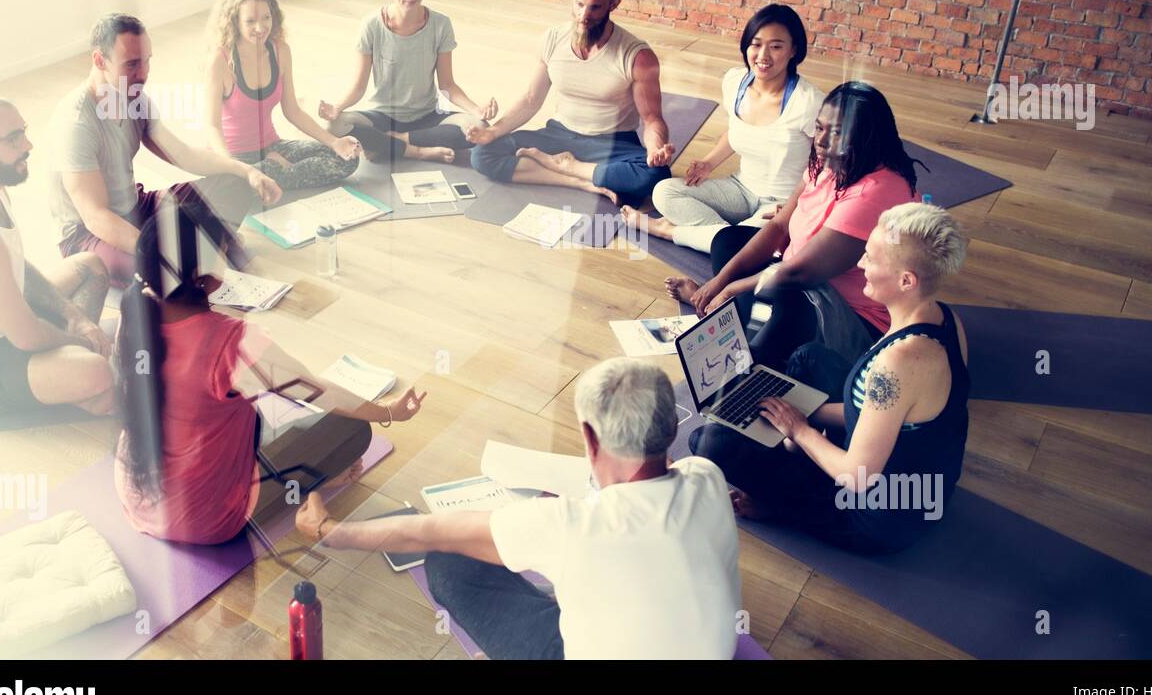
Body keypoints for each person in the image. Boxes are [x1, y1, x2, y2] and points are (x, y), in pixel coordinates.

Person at [296, 358, 740, 660]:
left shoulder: (572, 526)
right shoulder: (708, 476)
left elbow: (427, 533)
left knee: (449, 562)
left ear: (589, 439)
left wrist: (329, 529)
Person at [113, 193, 428, 546]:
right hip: (202, 519)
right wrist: (390, 411)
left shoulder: (133, 311)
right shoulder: (232, 343)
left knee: (254, 413)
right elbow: (320, 393)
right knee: (350, 428)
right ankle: (309, 485)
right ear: (206, 279)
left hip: (136, 495)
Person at [691, 202, 970, 555]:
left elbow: (857, 476)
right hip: (927, 491)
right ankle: (792, 456)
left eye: (872, 258)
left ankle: (782, 507)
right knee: (810, 357)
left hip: (874, 518)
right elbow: (891, 414)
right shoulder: (946, 320)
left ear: (906, 280)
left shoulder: (897, 364)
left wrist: (800, 430)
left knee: (709, 445)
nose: (861, 264)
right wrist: (802, 410)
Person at [666, 82, 920, 369]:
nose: (821, 141)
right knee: (729, 241)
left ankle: (742, 341)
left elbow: (801, 273)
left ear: (866, 137)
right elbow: (778, 227)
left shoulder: (877, 191)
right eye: (820, 128)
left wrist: (730, 288)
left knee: (783, 302)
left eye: (837, 133)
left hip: (851, 317)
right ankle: (728, 313)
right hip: (799, 280)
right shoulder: (827, 163)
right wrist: (721, 280)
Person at [49, 13, 282, 286]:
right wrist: (156, 249)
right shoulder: (77, 123)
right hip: (88, 235)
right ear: (100, 60)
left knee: (235, 183)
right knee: (166, 270)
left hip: (137, 208)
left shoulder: (133, 98)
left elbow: (183, 155)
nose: (143, 73)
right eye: (132, 64)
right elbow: (95, 216)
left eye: (147, 60)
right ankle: (203, 247)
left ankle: (201, 247)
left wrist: (247, 171)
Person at [0, 95, 114, 416]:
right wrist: (83, 341)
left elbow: (15, 266)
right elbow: (26, 336)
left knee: (90, 266)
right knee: (97, 373)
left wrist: (76, 319)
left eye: (23, 131)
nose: (28, 145)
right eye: (13, 139)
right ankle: (79, 375)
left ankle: (71, 375)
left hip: (5, 318)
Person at [466, 0, 674, 207]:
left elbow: (652, 119)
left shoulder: (637, 56)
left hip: (612, 143)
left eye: (595, 7)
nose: (583, 16)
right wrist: (492, 131)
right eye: (579, 4)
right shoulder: (553, 38)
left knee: (656, 176)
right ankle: (582, 180)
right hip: (559, 135)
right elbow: (531, 99)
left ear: (613, 4)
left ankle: (569, 166)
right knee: (483, 154)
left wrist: (654, 151)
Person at [622, 4, 823, 252]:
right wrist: (708, 163)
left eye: (776, 46)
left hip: (780, 203)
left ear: (794, 50)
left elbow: (827, 165)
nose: (763, 55)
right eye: (756, 44)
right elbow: (735, 131)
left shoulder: (809, 102)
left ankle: (668, 230)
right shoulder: (735, 81)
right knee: (663, 192)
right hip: (739, 189)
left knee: (755, 246)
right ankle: (726, 239)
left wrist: (797, 205)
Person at [319, 0, 496, 164]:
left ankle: (390, 143)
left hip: (428, 117)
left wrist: (476, 109)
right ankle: (418, 151)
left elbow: (448, 85)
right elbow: (358, 88)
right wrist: (337, 108)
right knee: (335, 126)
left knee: (479, 128)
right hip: (382, 117)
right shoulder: (371, 25)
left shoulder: (441, 25)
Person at [203, 0, 361, 190]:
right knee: (232, 184)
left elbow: (293, 111)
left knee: (345, 160)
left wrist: (334, 142)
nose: (260, 28)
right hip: (233, 157)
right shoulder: (220, 60)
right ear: (235, 22)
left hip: (272, 147)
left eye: (266, 18)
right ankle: (266, 175)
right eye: (250, 21)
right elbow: (212, 125)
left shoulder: (280, 51)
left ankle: (271, 175)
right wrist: (236, 168)